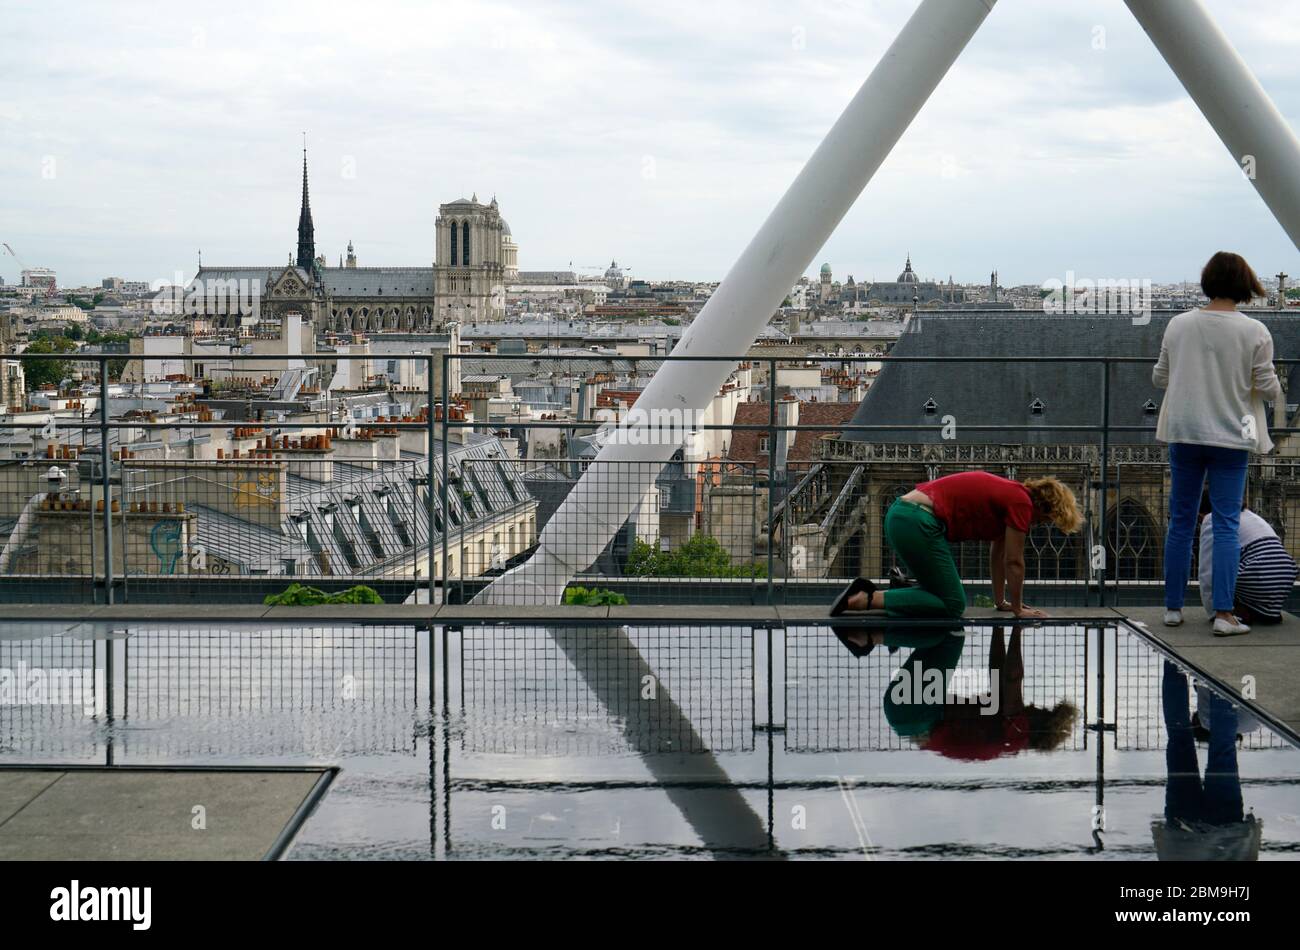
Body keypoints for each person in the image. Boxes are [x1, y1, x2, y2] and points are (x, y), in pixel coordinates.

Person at [1154, 251, 1282, 637]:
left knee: (1180, 520)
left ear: (1207, 282)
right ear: (1245, 286)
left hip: (1185, 430)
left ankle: (1173, 608)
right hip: (1231, 435)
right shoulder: (1255, 331)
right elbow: (1270, 388)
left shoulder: (1178, 324)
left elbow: (1160, 377)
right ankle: (1224, 615)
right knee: (1226, 524)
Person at [831, 470, 1084, 622]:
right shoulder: (1022, 503)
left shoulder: (1013, 493)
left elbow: (998, 554)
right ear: (1044, 507)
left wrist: (1002, 602)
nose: (1037, 525)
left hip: (903, 515)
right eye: (1044, 520)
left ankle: (906, 587)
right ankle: (866, 598)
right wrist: (1018, 610)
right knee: (953, 605)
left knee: (942, 596)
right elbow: (1014, 562)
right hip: (917, 521)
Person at [1198, 495, 1297, 626]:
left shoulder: (1212, 519)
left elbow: (1207, 570)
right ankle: (1265, 612)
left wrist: (1214, 613)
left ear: (1201, 514)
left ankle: (1239, 613)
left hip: (1257, 574)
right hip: (1285, 575)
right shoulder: (1253, 516)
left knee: (1223, 570)